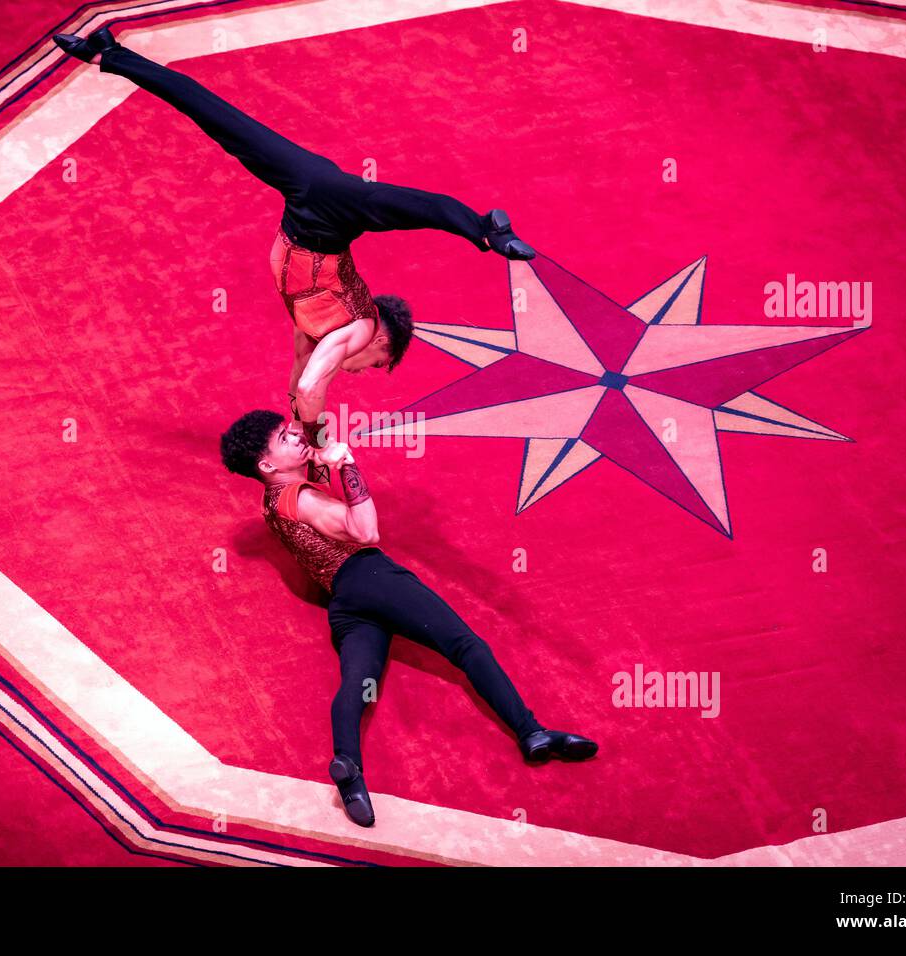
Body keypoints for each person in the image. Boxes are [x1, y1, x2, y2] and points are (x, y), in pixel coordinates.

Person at [56, 27, 538, 467]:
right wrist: (322, 441)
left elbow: (300, 381)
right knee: (395, 204)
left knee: (217, 118)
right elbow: (313, 386)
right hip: (329, 214)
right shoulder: (359, 328)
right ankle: (483, 229)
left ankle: (111, 54)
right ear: (382, 347)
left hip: (304, 206)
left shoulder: (319, 330)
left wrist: (299, 431)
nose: (357, 371)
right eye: (372, 369)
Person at [219, 409, 597, 827]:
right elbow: (365, 533)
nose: (293, 435)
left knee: (358, 685)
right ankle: (531, 733)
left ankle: (348, 765)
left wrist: (311, 421)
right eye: (282, 437)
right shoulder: (303, 499)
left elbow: (309, 422)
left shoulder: (272, 500)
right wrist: (347, 464)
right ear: (267, 465)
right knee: (466, 645)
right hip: (373, 577)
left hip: (345, 603)